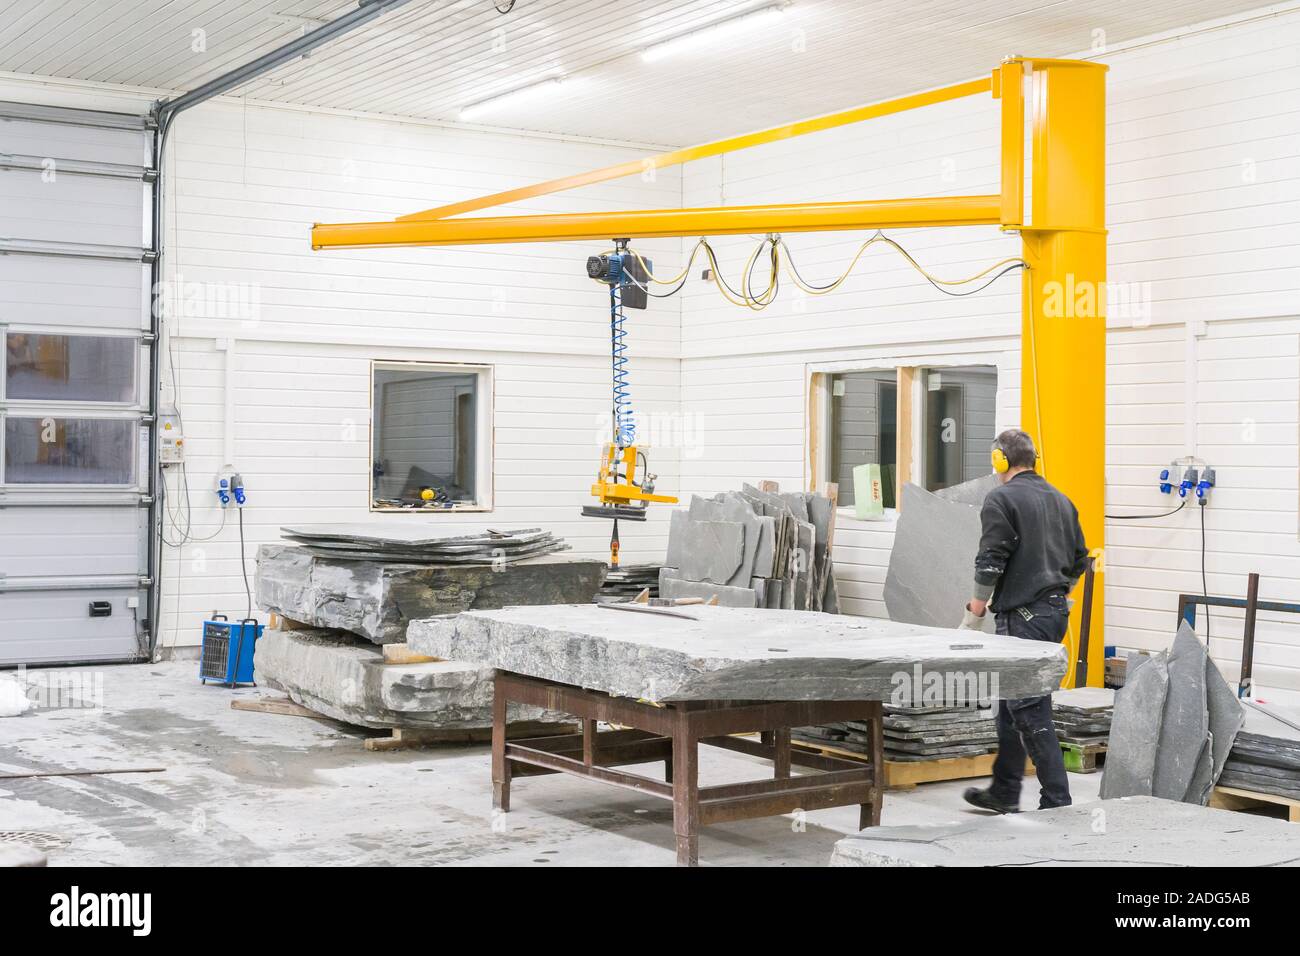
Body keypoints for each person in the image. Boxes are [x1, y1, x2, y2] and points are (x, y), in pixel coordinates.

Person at [960, 428, 1089, 813]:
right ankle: (1004, 789)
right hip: (1053, 613)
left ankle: (1057, 800)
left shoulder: (1001, 498)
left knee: (1031, 707)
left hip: (1023, 618)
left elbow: (990, 560)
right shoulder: (1061, 500)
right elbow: (1082, 558)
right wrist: (1059, 589)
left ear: (1000, 460)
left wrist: (975, 610)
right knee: (1010, 702)